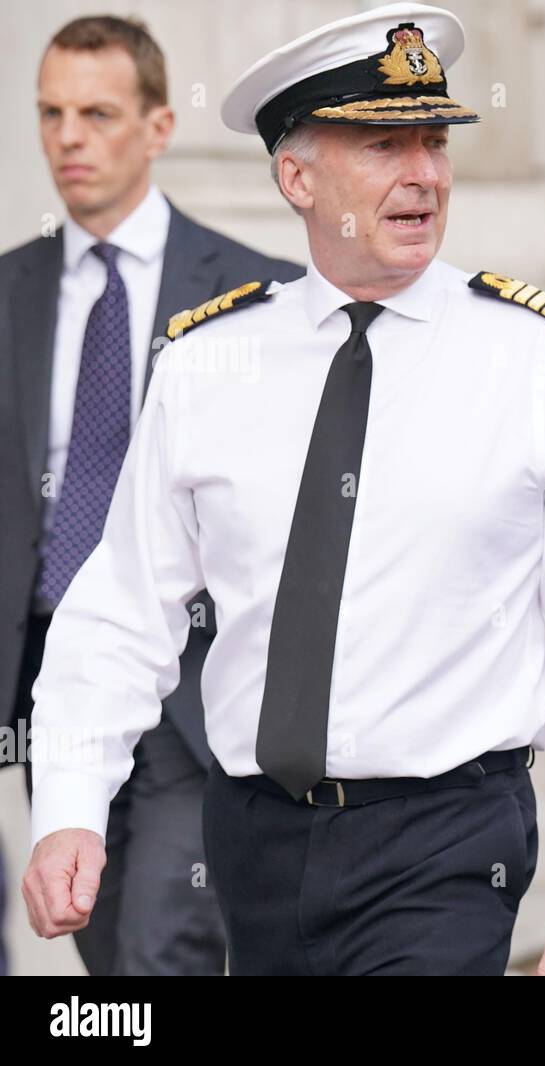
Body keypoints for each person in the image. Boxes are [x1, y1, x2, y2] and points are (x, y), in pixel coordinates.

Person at [22, 2, 545, 977]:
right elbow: (123, 608)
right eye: (382, 145)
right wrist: (71, 805)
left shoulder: (529, 357)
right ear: (297, 175)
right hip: (251, 837)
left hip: (448, 841)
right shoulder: (210, 360)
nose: (422, 173)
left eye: (433, 142)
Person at [0, 14, 301, 976]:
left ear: (160, 125)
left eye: (96, 112)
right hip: (51, 680)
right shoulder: (8, 292)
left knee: (161, 945)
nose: (69, 138)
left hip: (193, 675)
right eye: (50, 114)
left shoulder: (258, 295)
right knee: (103, 936)